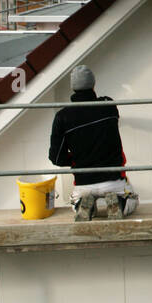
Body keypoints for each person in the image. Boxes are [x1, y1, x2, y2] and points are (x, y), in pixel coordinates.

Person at [48, 65, 137, 220]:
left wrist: (76, 159)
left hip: (84, 183)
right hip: (113, 180)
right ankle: (120, 204)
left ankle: (83, 205)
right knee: (133, 199)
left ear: (72, 87)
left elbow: (56, 158)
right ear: (93, 84)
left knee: (78, 202)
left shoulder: (62, 117)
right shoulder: (108, 106)